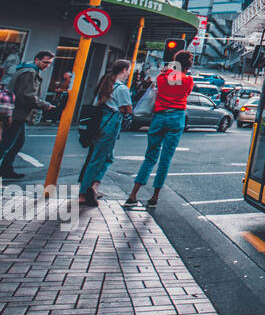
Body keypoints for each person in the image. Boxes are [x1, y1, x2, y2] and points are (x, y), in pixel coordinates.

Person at [124, 51, 194, 209]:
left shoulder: (162, 77)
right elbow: (186, 93)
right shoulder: (188, 80)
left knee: (150, 157)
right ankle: (154, 196)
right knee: (165, 159)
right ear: (188, 65)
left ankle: (133, 194)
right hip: (176, 117)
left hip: (159, 117)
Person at [78, 60, 133, 207]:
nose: (129, 73)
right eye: (128, 70)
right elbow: (128, 109)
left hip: (99, 123)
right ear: (123, 69)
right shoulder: (121, 88)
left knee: (107, 157)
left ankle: (94, 187)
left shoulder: (106, 82)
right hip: (110, 123)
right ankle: (84, 192)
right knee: (98, 159)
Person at [0, 50, 54, 180]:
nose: (47, 66)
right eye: (45, 62)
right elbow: (27, 96)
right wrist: (45, 105)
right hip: (17, 114)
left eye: (50, 63)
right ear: (37, 60)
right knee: (5, 145)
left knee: (17, 143)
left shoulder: (25, 69)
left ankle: (6, 169)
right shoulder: (30, 72)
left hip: (17, 113)